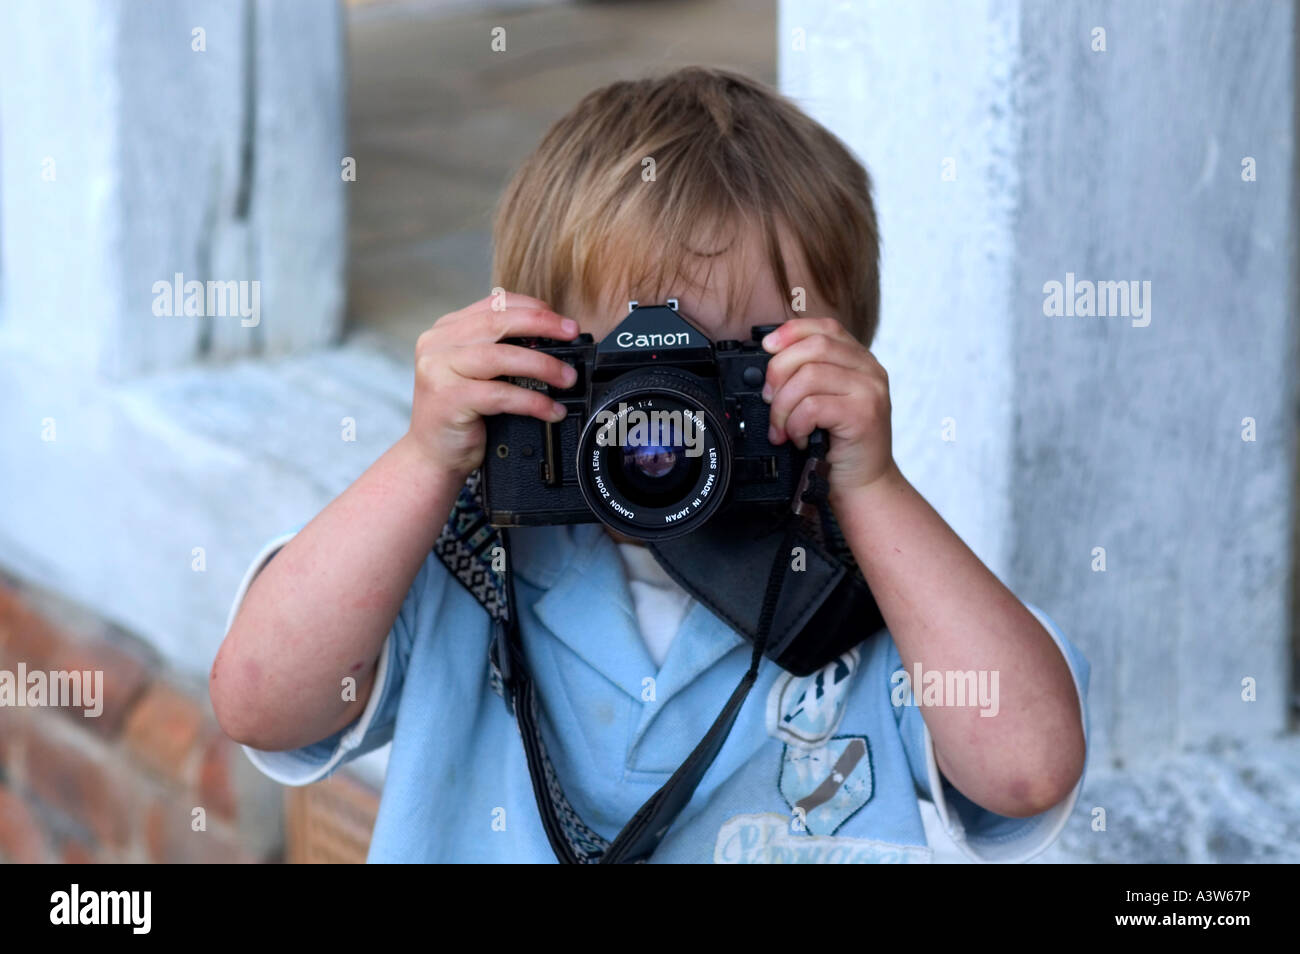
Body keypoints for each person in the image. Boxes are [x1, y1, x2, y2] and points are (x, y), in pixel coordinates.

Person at [210, 67, 1088, 863]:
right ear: (535, 355)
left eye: (731, 371)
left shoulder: (871, 588)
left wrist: (873, 490)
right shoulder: (471, 558)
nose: (673, 422)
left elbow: (1025, 771)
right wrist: (425, 459)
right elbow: (260, 699)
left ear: (834, 363)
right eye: (633, 371)